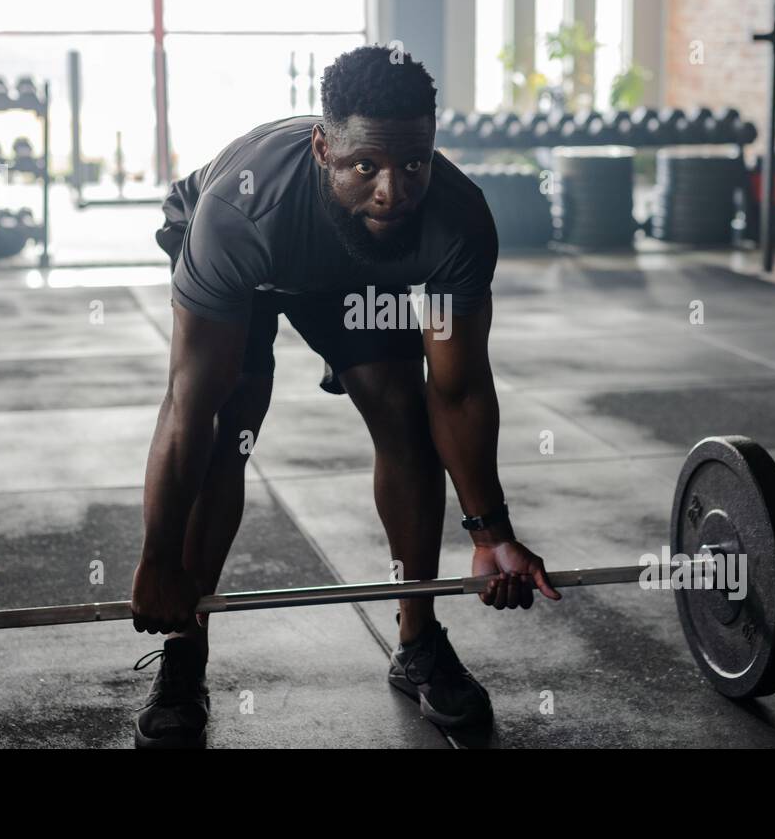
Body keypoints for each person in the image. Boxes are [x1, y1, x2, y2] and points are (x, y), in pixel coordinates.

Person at [132, 44, 560, 749]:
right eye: (367, 166)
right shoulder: (241, 210)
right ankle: (184, 650)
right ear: (323, 146)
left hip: (354, 269)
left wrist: (491, 533)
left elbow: (457, 391)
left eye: (413, 163)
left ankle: (417, 640)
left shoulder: (454, 217)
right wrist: (156, 560)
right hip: (255, 262)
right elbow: (188, 407)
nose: (393, 189)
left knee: (406, 417)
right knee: (228, 425)